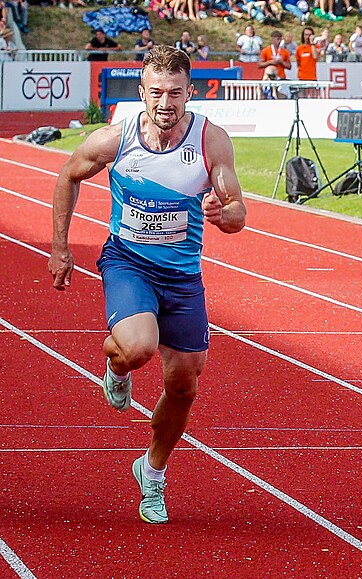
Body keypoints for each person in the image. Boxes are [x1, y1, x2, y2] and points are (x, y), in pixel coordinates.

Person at [48, 45, 247, 524]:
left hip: (181, 274)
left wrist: (226, 216)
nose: (165, 103)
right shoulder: (116, 139)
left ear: (189, 93)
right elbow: (68, 176)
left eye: (175, 93)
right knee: (138, 348)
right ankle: (117, 366)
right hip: (128, 262)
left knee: (184, 383)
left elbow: (238, 209)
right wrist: (60, 246)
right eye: (156, 92)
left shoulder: (210, 141)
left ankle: (151, 472)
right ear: (141, 93)